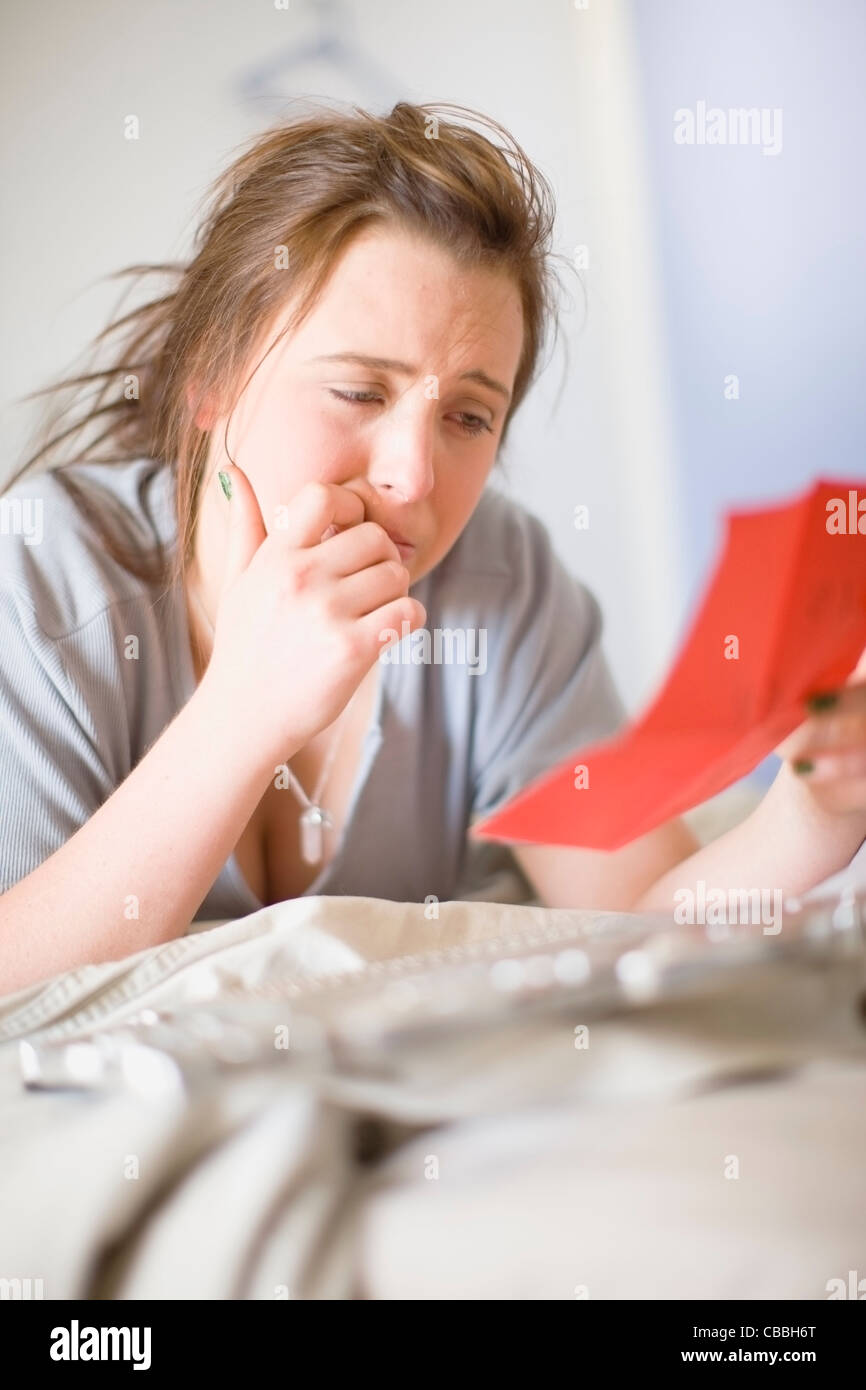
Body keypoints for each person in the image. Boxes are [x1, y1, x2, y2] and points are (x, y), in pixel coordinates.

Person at [1, 102, 864, 997]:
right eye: (358, 391)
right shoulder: (41, 580)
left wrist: (812, 814)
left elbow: (637, 921)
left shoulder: (503, 584)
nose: (414, 476)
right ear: (210, 381)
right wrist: (244, 712)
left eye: (468, 418)